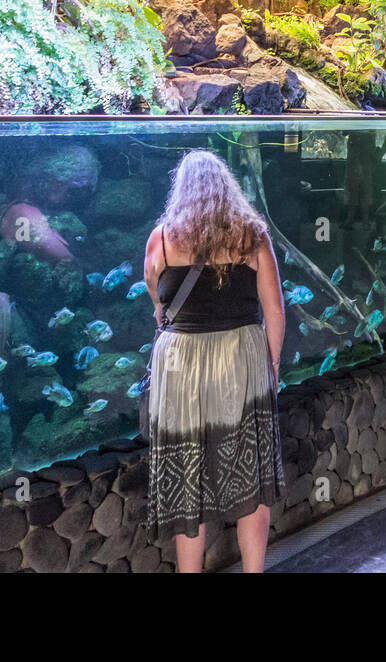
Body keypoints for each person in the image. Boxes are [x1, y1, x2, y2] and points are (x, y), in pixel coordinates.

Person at [143, 149, 286, 573]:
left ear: (180, 191)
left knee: (188, 485)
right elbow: (275, 310)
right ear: (228, 188)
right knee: (252, 483)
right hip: (239, 364)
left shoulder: (163, 238)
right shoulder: (253, 237)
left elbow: (159, 307)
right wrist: (271, 367)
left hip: (181, 369)